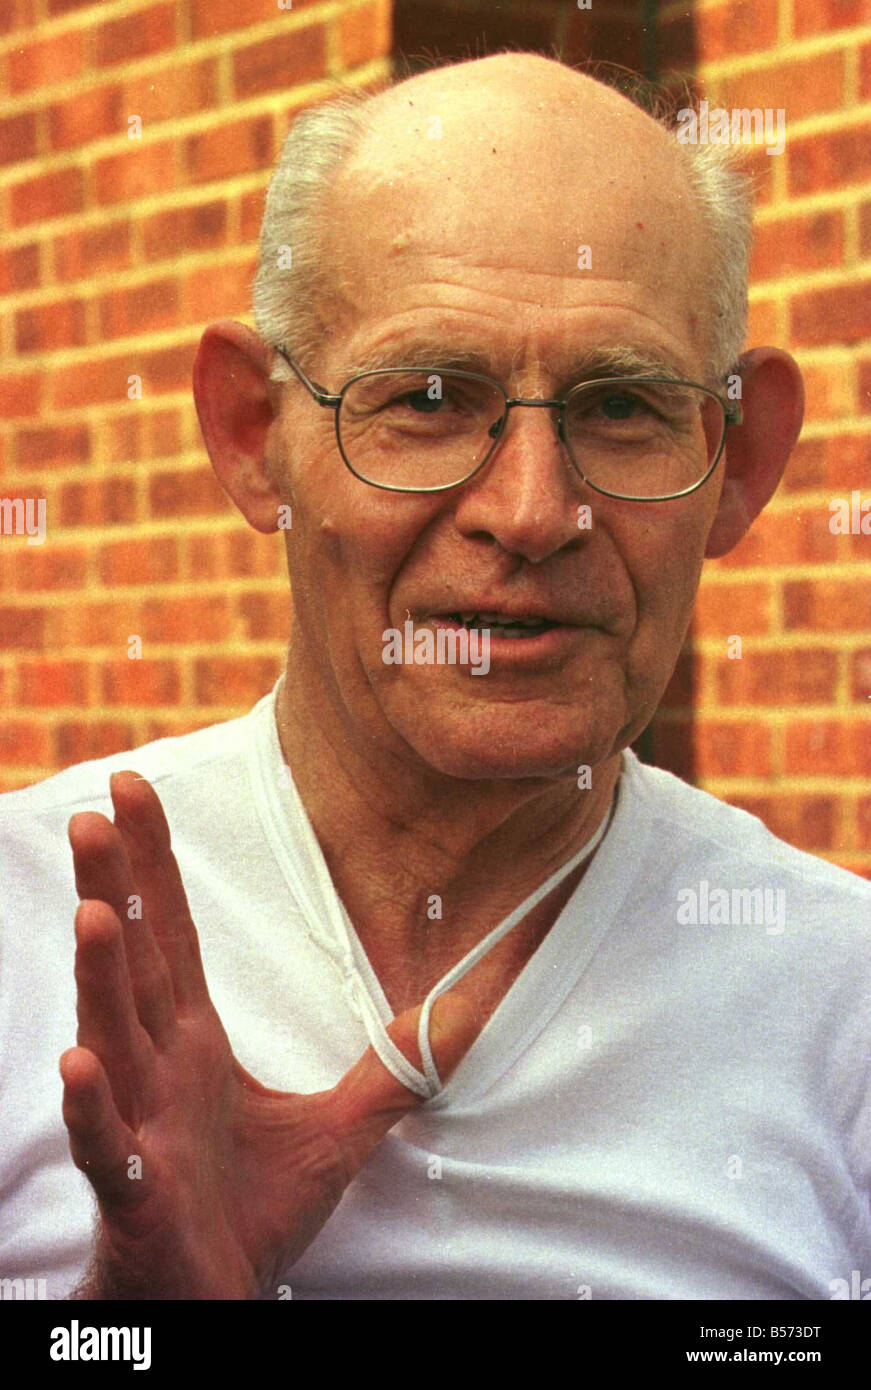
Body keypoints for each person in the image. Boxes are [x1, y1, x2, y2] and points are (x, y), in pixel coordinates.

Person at [1, 51, 868, 1302]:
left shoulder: (837, 999)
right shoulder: (34, 929)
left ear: (736, 462)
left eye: (621, 406)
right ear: (254, 435)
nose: (532, 511)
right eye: (424, 397)